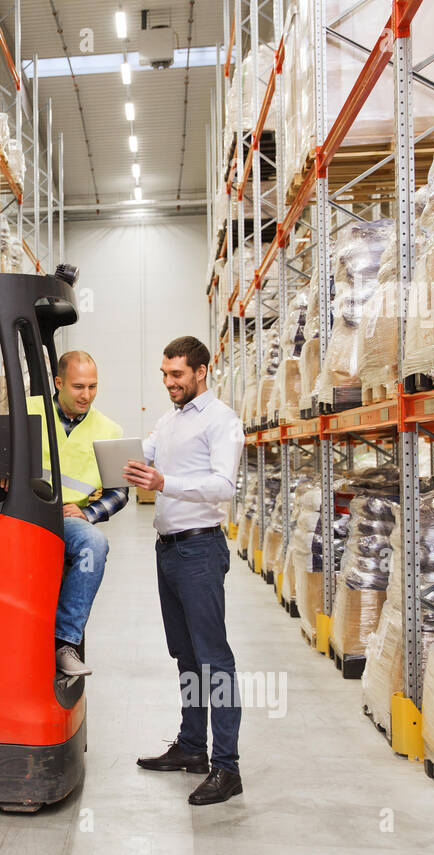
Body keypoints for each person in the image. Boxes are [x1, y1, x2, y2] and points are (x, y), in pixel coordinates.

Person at [123, 336, 246, 806]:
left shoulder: (222, 421)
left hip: (199, 550)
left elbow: (222, 486)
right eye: (164, 375)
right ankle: (193, 746)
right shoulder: (169, 420)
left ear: (201, 371)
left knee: (214, 658)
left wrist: (164, 483)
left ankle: (228, 766)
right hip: (169, 550)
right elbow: (143, 457)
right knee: (186, 656)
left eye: (177, 375)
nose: (169, 383)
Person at [25, 351, 127, 677]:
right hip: (21, 512)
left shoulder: (110, 430)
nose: (86, 395)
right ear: (58, 383)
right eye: (78, 386)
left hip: (68, 520)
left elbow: (119, 492)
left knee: (94, 545)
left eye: (93, 387)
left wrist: (89, 512)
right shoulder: (28, 412)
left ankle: (64, 642)